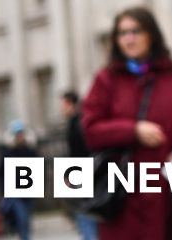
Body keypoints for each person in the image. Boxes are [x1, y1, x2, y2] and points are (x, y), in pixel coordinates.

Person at [81, 7, 172, 240]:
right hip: (124, 191)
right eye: (122, 33)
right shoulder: (106, 79)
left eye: (136, 31)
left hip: (169, 188)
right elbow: (91, 129)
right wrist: (132, 131)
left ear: (151, 34)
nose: (129, 39)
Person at [60, 91, 97, 240]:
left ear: (70, 104)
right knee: (86, 211)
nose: (61, 109)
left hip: (82, 172)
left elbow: (77, 153)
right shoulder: (79, 122)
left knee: (83, 211)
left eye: (63, 105)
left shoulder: (77, 124)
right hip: (85, 171)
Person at [0, 120, 39, 240]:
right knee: (22, 217)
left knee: (26, 219)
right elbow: (1, 173)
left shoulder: (31, 151)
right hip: (14, 193)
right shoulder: (7, 153)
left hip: (28, 192)